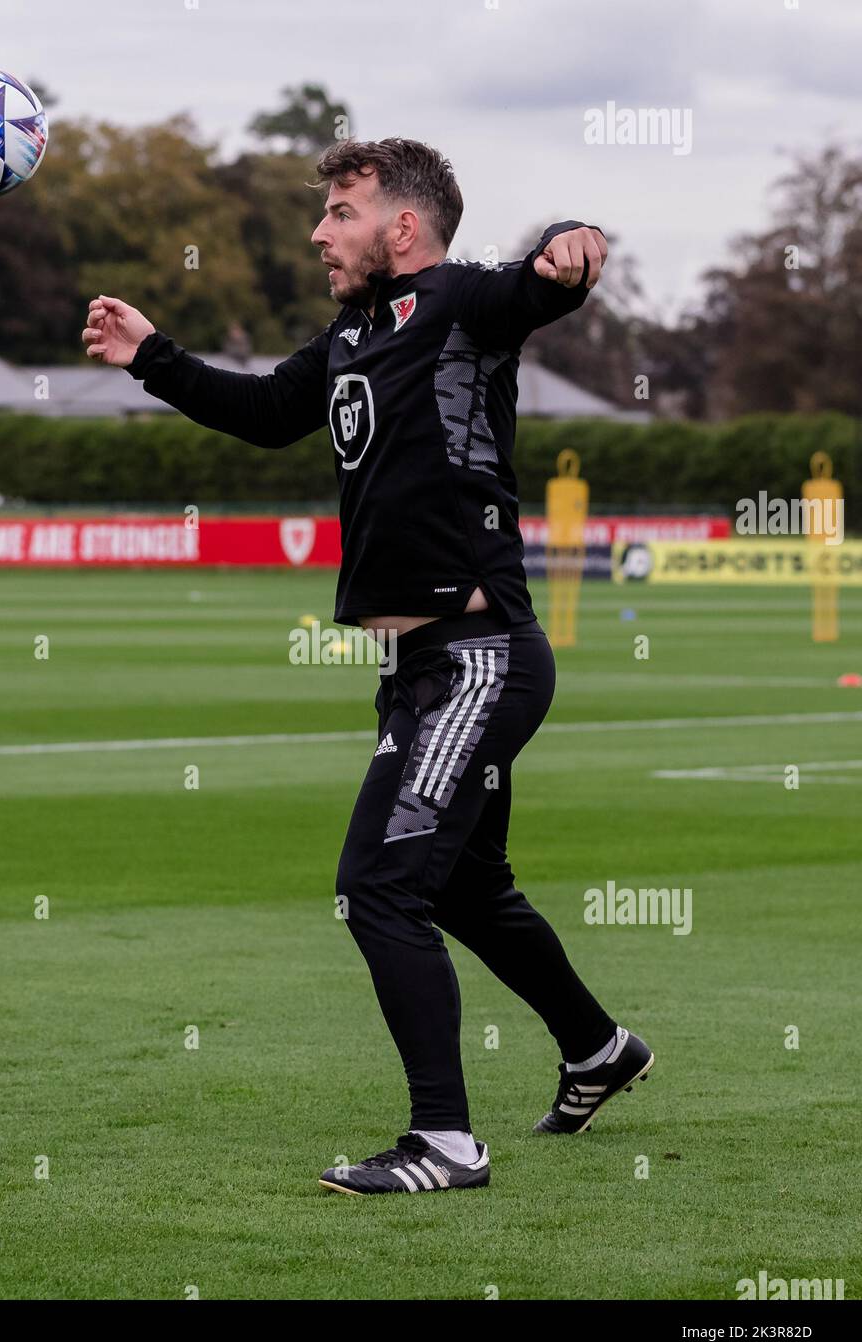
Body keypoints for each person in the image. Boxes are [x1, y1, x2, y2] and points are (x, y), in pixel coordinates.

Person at [81, 137, 654, 1197]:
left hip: (478, 657)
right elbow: (262, 414)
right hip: (416, 670)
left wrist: (571, 246)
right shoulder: (350, 331)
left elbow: (538, 285)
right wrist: (153, 354)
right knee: (470, 891)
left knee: (378, 886)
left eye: (339, 211)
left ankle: (443, 1140)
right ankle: (597, 1048)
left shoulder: (458, 304)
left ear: (400, 226)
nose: (317, 231)